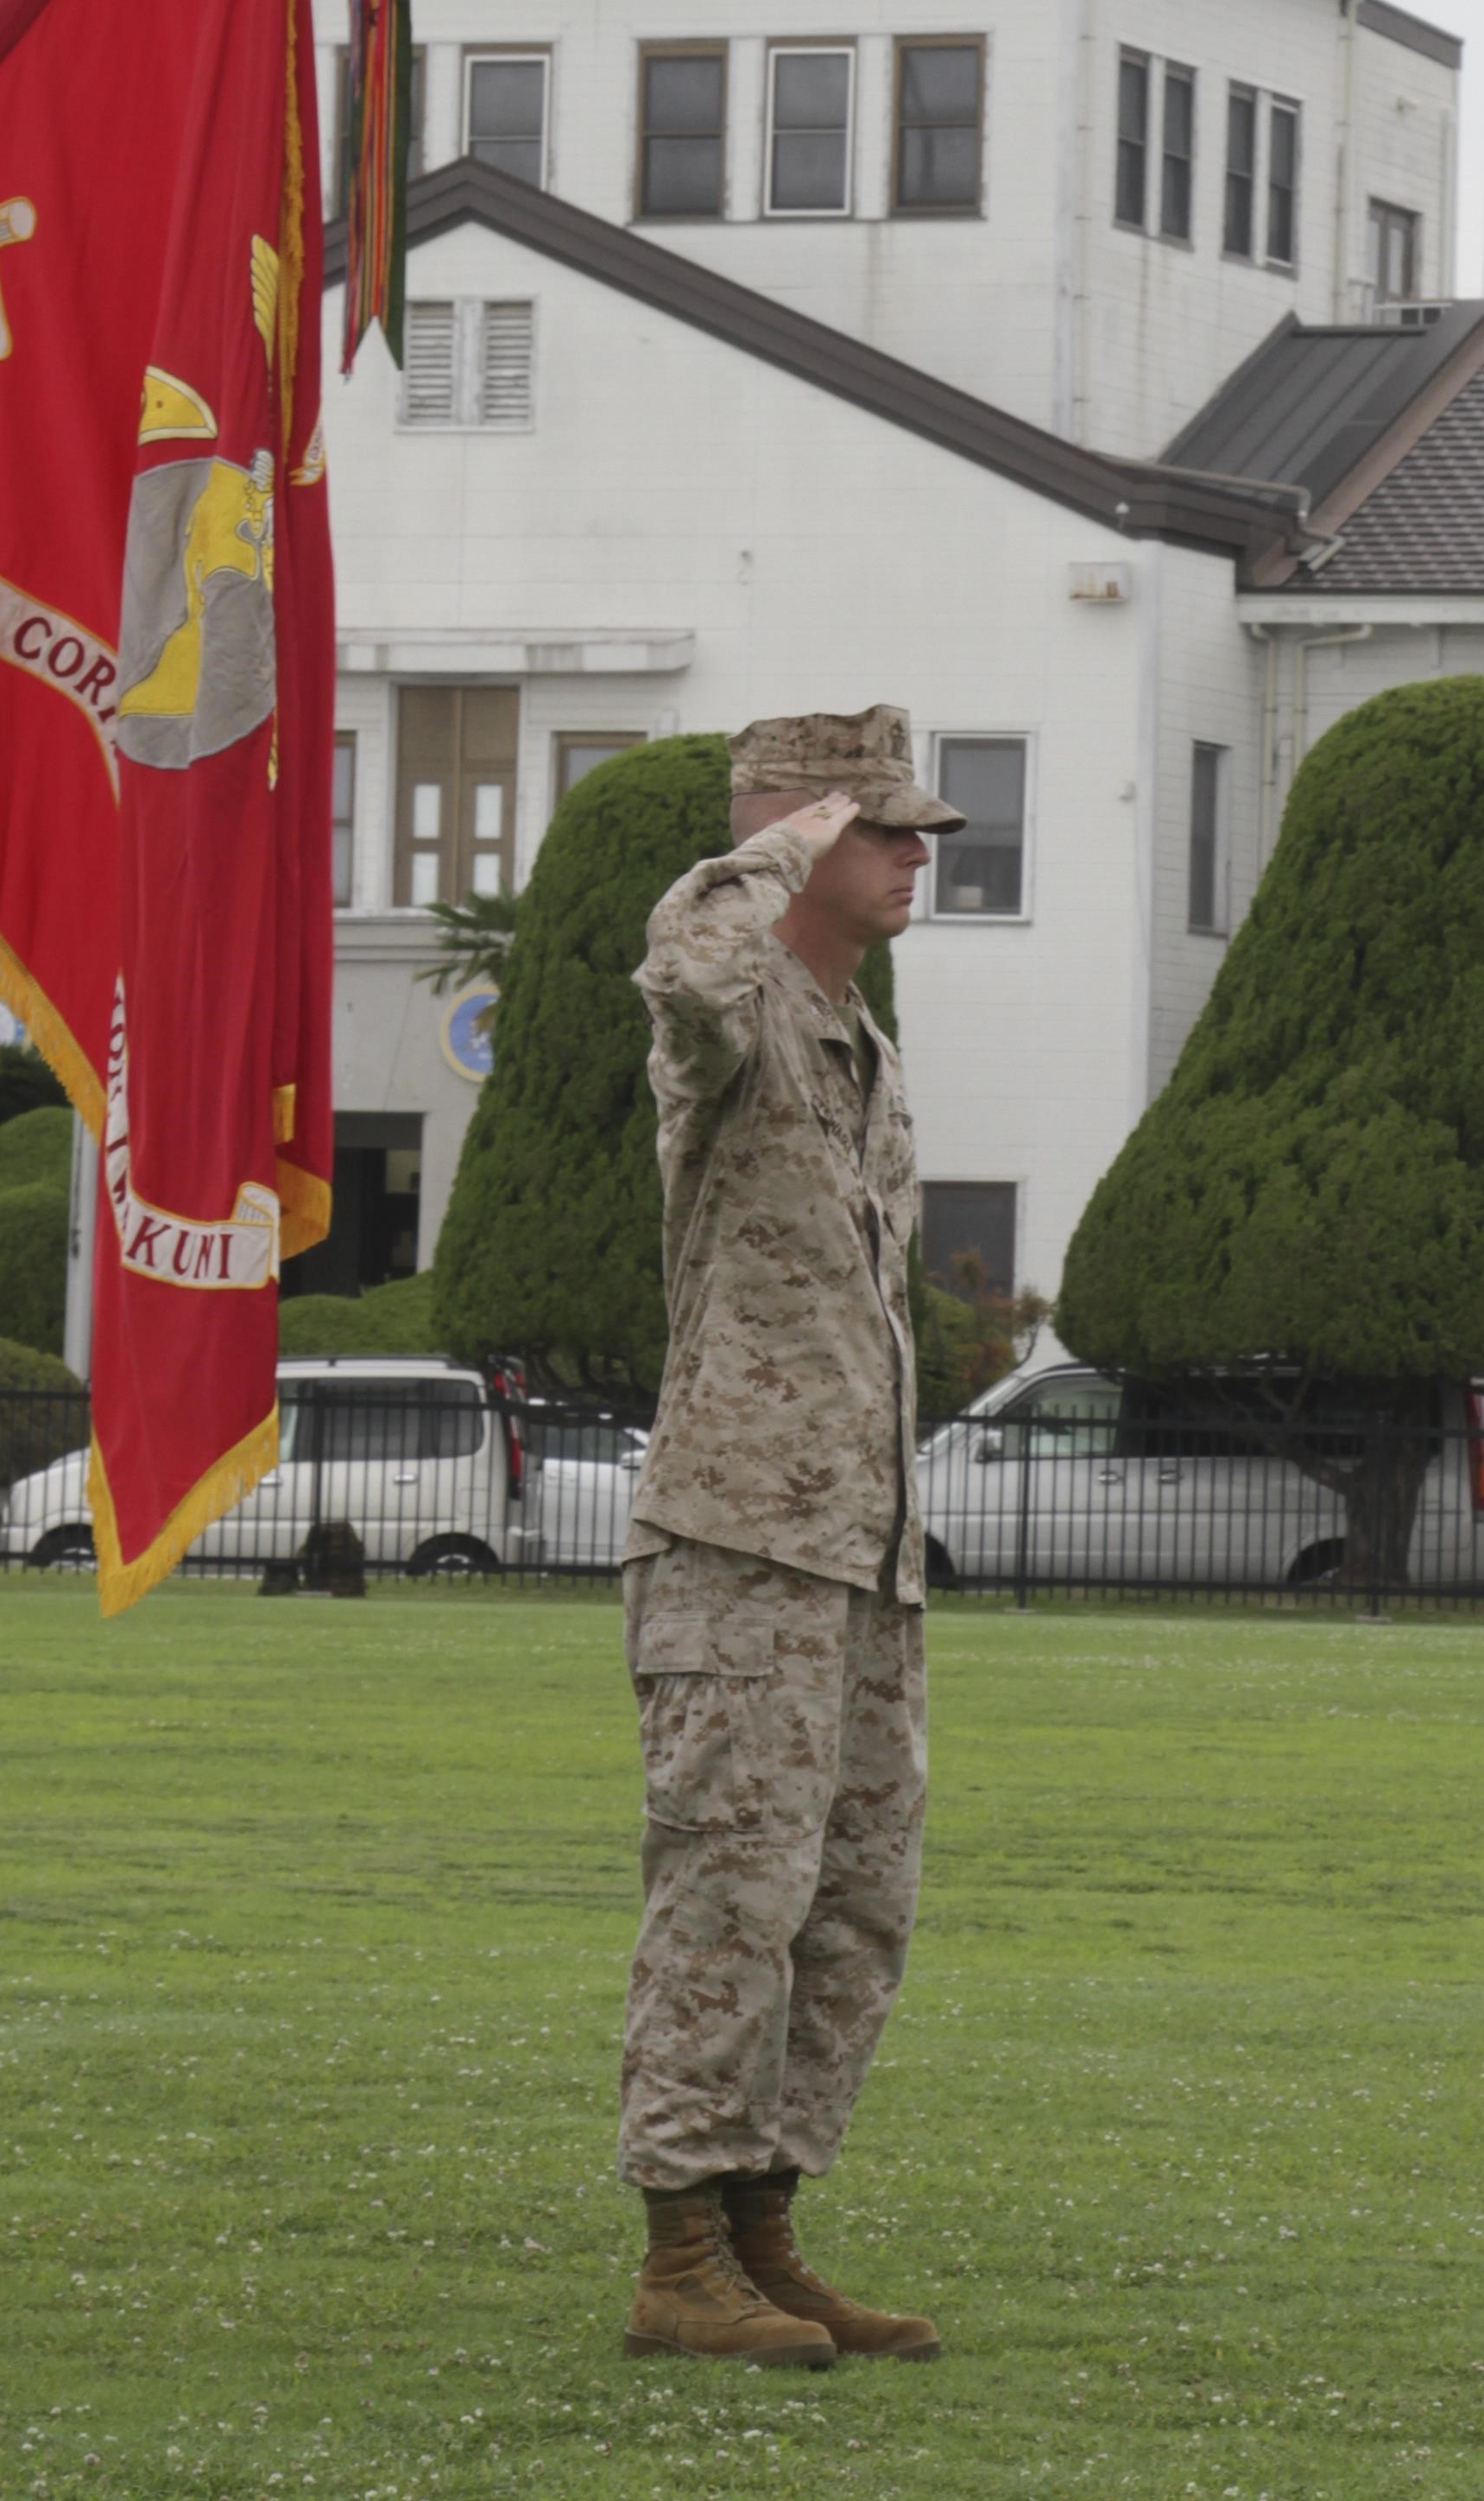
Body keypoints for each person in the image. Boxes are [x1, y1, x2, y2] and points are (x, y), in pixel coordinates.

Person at [615, 704, 965, 2374]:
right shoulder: (737, 1001)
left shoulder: (856, 1031)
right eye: (887, 825)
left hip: (861, 1545)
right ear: (799, 832)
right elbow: (678, 961)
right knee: (729, 1893)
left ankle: (765, 2227)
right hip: (740, 1537)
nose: (916, 855)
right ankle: (680, 2253)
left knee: (851, 1902)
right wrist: (770, 834)